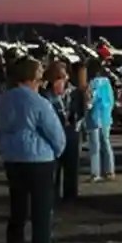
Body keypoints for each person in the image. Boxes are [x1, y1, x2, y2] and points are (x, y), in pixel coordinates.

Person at [0, 57, 66, 243]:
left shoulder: (4, 99)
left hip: (12, 159)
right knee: (41, 215)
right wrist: (57, 151)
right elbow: (55, 133)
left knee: (17, 213)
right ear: (32, 76)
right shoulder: (38, 102)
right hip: (39, 160)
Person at [41, 62, 85, 202]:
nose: (59, 83)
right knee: (54, 167)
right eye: (56, 80)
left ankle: (70, 195)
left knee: (71, 166)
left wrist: (76, 121)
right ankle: (51, 195)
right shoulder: (45, 95)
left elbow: (81, 110)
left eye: (62, 78)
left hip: (71, 132)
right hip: (53, 132)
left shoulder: (74, 92)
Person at [84, 59, 116, 182]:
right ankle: (110, 171)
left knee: (94, 146)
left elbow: (90, 101)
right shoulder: (107, 83)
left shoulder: (92, 84)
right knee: (106, 144)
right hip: (106, 117)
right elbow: (111, 100)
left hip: (94, 117)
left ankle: (95, 173)